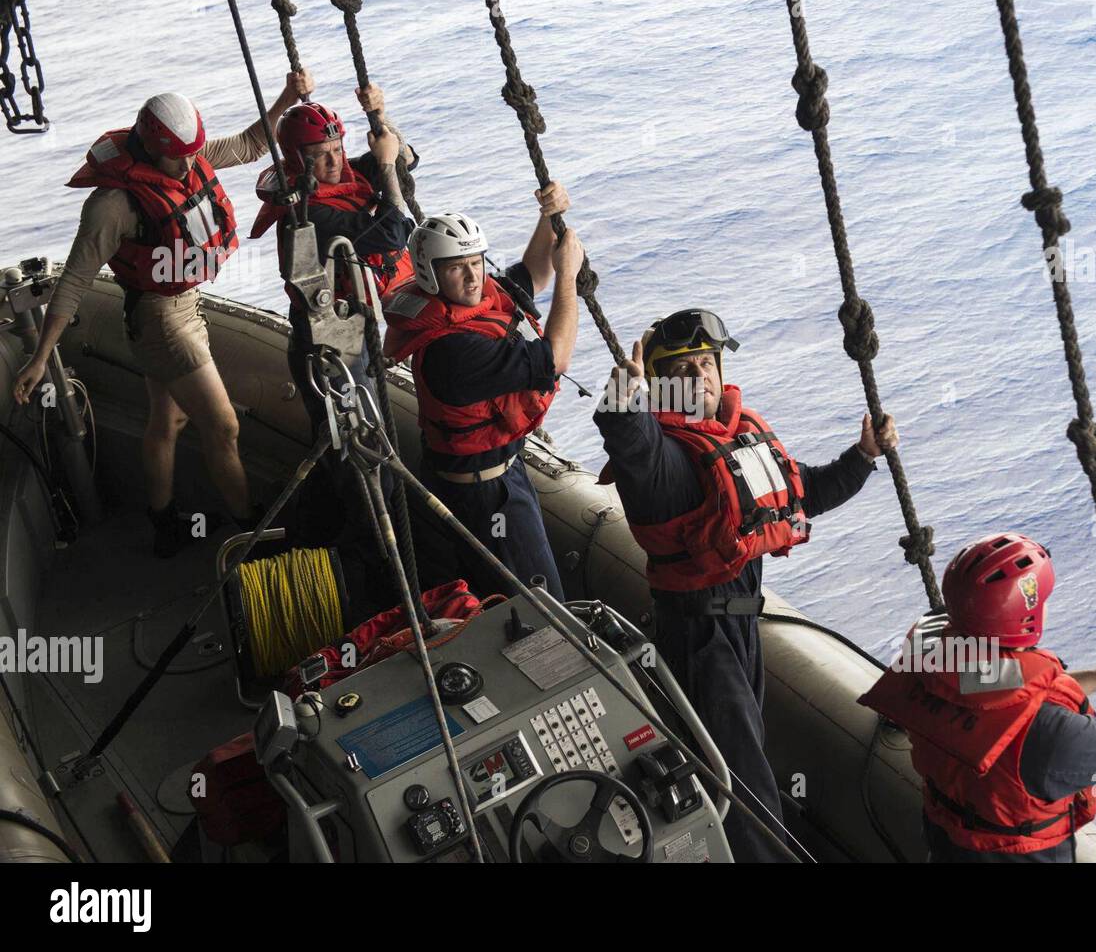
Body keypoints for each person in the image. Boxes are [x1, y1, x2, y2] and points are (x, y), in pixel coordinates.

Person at [592, 310, 897, 861]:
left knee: (741, 752)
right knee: (742, 777)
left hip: (739, 627)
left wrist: (863, 457)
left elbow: (807, 493)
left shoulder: (737, 440)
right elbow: (632, 442)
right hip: (699, 635)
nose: (700, 376)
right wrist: (625, 399)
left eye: (706, 363)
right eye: (681, 369)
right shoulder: (662, 461)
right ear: (660, 386)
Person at [11, 72, 313, 556]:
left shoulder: (187, 157)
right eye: (178, 155)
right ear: (150, 146)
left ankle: (165, 525)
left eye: (193, 150)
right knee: (223, 427)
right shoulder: (112, 205)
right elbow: (74, 281)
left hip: (184, 305)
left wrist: (288, 97)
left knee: (166, 423)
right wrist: (41, 357)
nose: (189, 162)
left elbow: (252, 143)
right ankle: (252, 532)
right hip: (160, 319)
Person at [860, 532, 1096, 862]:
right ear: (1028, 613)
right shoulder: (1052, 734)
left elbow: (1002, 703)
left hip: (946, 843)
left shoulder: (929, 661)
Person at [248, 84, 417, 612]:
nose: (333, 162)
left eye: (336, 150)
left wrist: (380, 115)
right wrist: (387, 170)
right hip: (330, 352)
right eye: (319, 157)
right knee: (363, 467)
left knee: (350, 458)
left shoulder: (349, 172)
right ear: (296, 163)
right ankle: (375, 584)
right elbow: (395, 230)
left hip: (352, 336)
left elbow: (401, 156)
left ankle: (334, 549)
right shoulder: (309, 215)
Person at [382, 194, 578, 599]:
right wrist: (570, 277)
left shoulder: (474, 299)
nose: (473, 278)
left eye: (476, 263)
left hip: (493, 474)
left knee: (502, 588)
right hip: (487, 495)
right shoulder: (452, 352)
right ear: (430, 274)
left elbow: (531, 276)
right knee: (538, 602)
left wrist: (548, 217)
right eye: (458, 268)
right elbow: (555, 358)